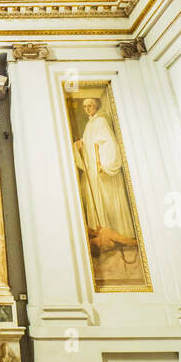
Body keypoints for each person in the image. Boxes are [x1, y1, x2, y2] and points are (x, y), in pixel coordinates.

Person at [73, 97, 138, 265]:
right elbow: (89, 145)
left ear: (96, 106)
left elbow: (109, 144)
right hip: (93, 170)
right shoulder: (90, 124)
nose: (88, 109)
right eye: (85, 106)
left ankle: (120, 234)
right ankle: (104, 230)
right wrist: (80, 145)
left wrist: (104, 164)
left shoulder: (100, 121)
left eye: (90, 105)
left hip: (100, 169)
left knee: (108, 200)